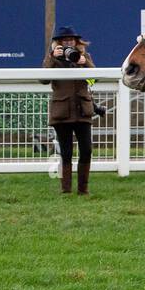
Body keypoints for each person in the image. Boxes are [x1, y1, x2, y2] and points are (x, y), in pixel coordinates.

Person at [42, 26, 97, 195]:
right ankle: (66, 189)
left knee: (86, 150)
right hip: (62, 111)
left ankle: (83, 189)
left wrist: (84, 62)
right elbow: (43, 79)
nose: (68, 43)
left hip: (82, 110)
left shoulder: (84, 56)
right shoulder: (53, 58)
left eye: (71, 40)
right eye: (65, 41)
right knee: (66, 152)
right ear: (58, 43)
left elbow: (94, 79)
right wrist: (52, 57)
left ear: (76, 41)